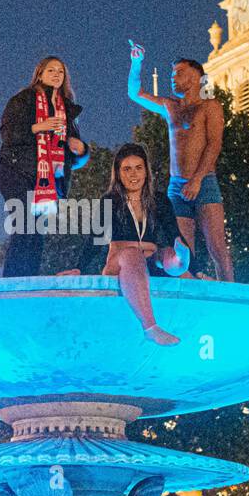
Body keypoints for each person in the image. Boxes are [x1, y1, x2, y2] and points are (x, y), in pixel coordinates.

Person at [60, 143, 190, 346]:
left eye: (138, 167)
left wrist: (195, 269)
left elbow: (176, 235)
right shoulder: (110, 201)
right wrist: (79, 267)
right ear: (118, 174)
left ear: (146, 171)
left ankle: (181, 263)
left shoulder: (160, 200)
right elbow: (95, 240)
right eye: (126, 169)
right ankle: (150, 328)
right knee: (132, 254)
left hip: (153, 260)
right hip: (121, 261)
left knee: (170, 252)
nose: (133, 174)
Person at [126, 42, 234, 282]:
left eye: (180, 74)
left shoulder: (210, 106)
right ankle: (189, 294)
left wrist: (196, 180)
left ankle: (231, 294)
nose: (173, 79)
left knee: (217, 246)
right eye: (172, 75)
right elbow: (135, 93)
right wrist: (136, 63)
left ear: (197, 77)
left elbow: (214, 145)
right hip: (177, 186)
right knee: (183, 251)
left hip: (204, 182)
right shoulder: (170, 107)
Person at [0, 56, 90, 276]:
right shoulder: (23, 99)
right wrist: (39, 126)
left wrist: (81, 150)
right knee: (24, 223)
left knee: (38, 230)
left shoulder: (66, 109)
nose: (56, 74)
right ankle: (12, 283)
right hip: (16, 170)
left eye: (60, 71)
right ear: (40, 73)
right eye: (51, 70)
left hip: (49, 179)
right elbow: (8, 134)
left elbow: (70, 159)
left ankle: (29, 281)